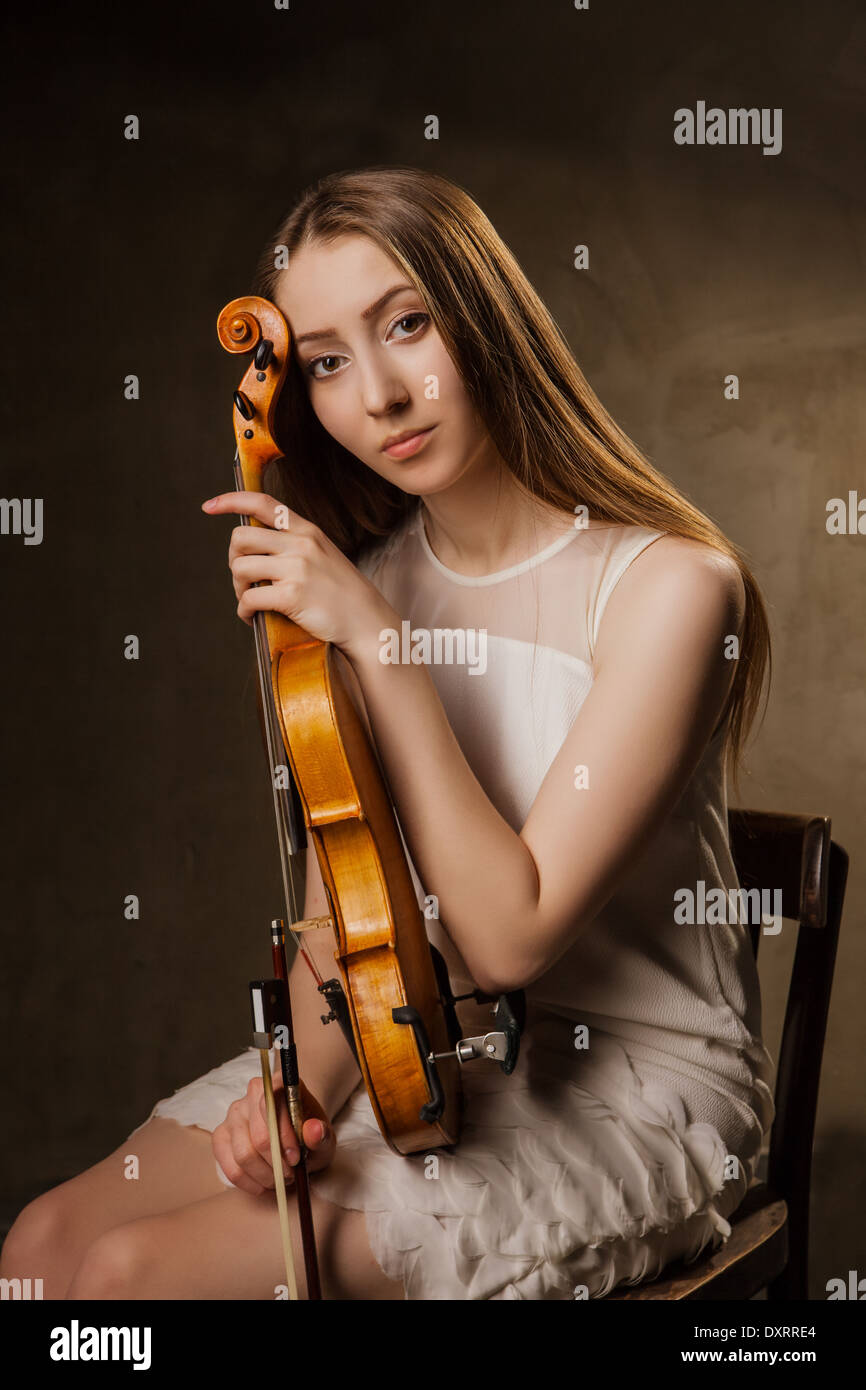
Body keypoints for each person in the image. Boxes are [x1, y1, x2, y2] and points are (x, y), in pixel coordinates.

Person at [0, 166, 775, 1301]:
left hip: (633, 1088)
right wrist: (301, 1098)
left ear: (487, 319)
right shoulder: (362, 583)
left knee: (129, 1282)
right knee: (39, 1253)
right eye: (323, 360)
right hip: (407, 1047)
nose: (379, 394)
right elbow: (344, 918)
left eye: (405, 324)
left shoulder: (668, 588)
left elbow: (511, 939)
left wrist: (378, 640)